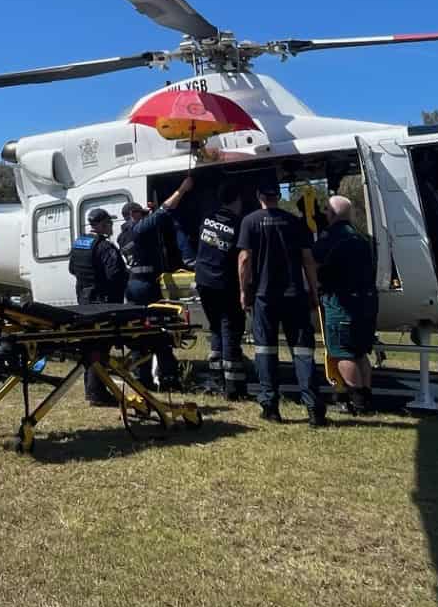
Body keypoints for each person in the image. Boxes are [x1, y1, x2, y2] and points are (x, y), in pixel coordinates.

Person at [238, 175, 327, 426]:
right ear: (278, 196)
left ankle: (271, 406)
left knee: (265, 350)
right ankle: (313, 407)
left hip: (264, 296)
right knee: (302, 351)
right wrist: (313, 289)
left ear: (259, 197)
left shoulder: (250, 222)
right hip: (294, 295)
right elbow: (308, 260)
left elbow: (244, 260)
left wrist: (243, 291)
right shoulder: (295, 223)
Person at [123, 175, 196, 389]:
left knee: (139, 334)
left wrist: (148, 213)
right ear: (131, 215)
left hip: (133, 286)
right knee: (158, 333)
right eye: (139, 213)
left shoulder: (124, 233)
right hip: (145, 287)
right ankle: (168, 378)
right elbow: (165, 210)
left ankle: (142, 378)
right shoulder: (138, 229)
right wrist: (182, 190)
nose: (143, 215)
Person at [313, 194, 379, 415]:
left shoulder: (331, 238)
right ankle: (367, 398)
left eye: (325, 211)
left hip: (342, 302)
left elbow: (314, 262)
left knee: (342, 353)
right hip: (367, 302)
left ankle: (357, 400)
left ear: (331, 215)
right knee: (360, 353)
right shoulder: (361, 237)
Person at [192, 181, 252, 400]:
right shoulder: (239, 224)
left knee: (216, 328)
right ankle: (233, 386)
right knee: (229, 329)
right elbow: (243, 259)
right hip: (224, 283)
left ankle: (216, 380)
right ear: (237, 200)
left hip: (204, 281)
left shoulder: (207, 219)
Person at [69, 205, 127, 405]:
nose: (111, 226)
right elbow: (115, 275)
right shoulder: (104, 247)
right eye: (109, 223)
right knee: (100, 347)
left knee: (88, 345)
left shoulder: (79, 244)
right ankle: (97, 393)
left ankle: (91, 390)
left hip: (84, 301)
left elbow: (72, 269)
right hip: (102, 303)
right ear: (102, 225)